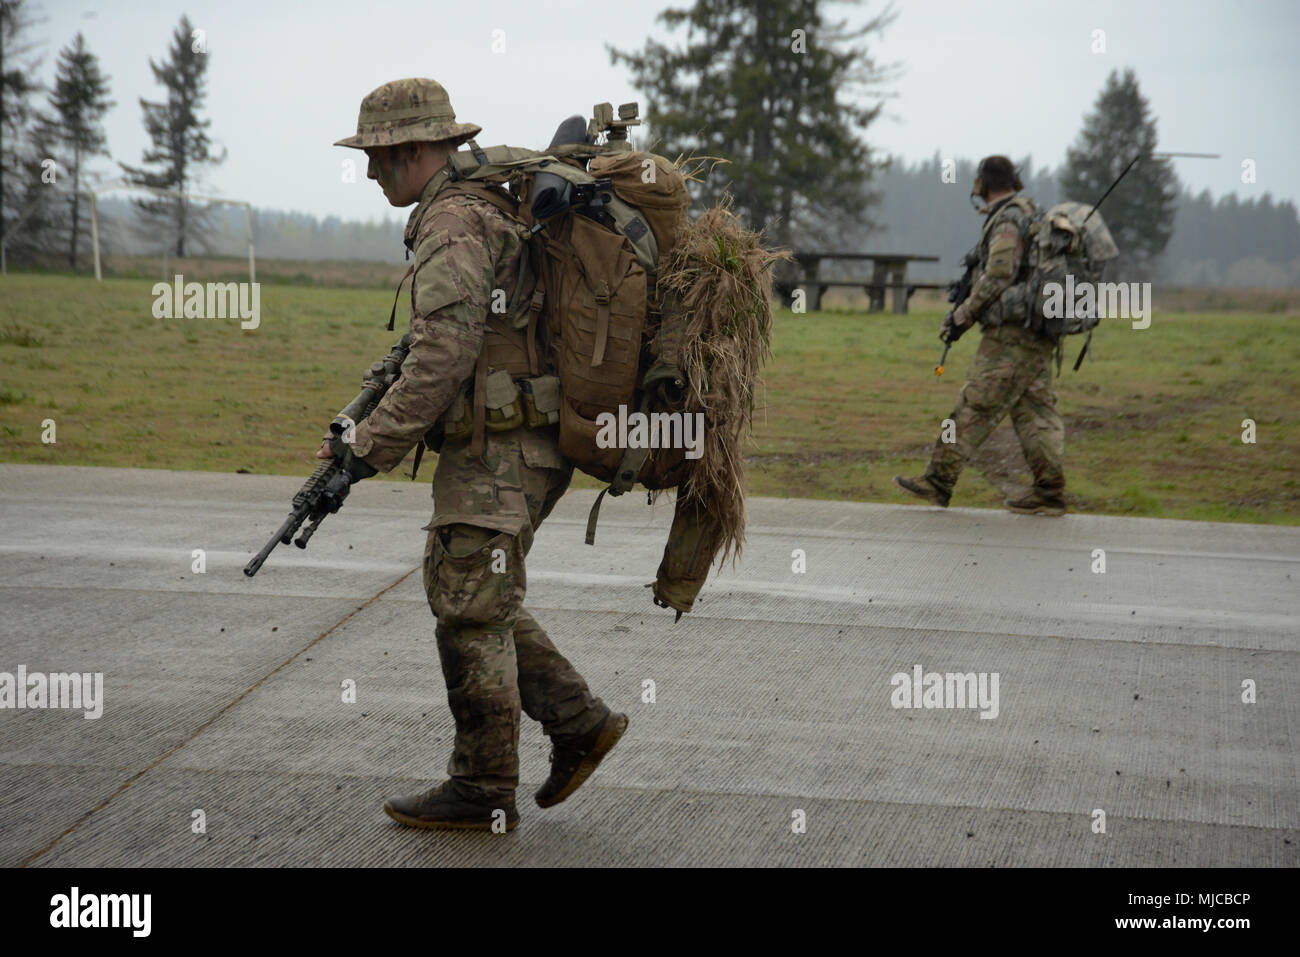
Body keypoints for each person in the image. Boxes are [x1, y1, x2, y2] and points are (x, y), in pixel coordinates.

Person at [325, 78, 627, 832]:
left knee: (467, 598)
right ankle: (580, 723)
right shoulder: (476, 203)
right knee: (475, 593)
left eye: (382, 157)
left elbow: (442, 354)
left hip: (507, 439)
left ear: (421, 149)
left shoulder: (454, 220)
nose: (371, 173)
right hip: (516, 433)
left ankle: (485, 784)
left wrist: (370, 446)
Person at [895, 155, 1066, 516]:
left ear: (981, 185)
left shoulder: (1007, 220)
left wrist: (962, 316)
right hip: (1036, 332)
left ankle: (938, 480)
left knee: (974, 406)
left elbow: (998, 275)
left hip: (1011, 336)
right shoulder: (1031, 213)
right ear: (1014, 181)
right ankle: (1049, 493)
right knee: (1035, 411)